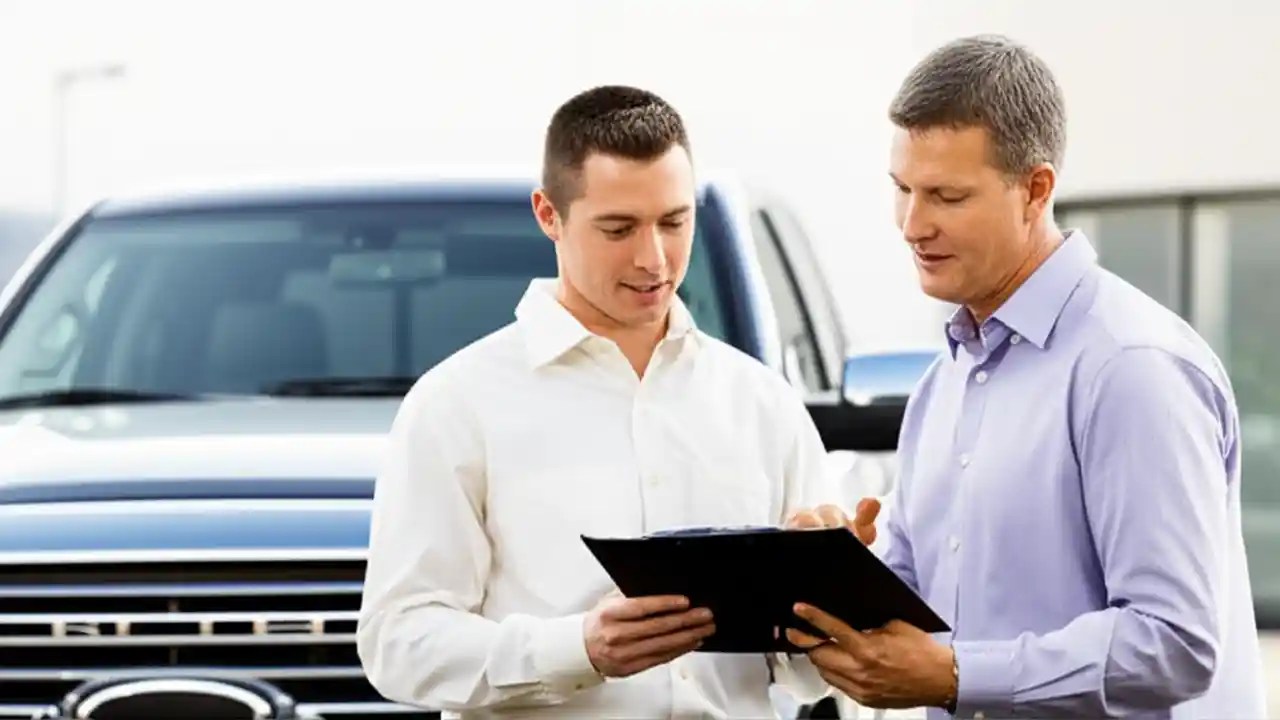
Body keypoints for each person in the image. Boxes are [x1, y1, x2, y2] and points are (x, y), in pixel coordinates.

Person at [786, 34, 1268, 719]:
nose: (912, 224)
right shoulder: (943, 383)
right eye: (902, 190)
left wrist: (956, 674)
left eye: (947, 196)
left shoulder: (1131, 368)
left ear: (1036, 189)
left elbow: (1174, 644)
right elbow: (923, 598)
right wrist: (827, 577)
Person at [356, 84, 843, 719]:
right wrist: (575, 649)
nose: (654, 259)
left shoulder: (762, 402)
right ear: (548, 214)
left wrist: (829, 599)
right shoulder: (457, 404)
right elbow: (398, 642)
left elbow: (807, 676)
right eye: (618, 228)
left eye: (674, 221)